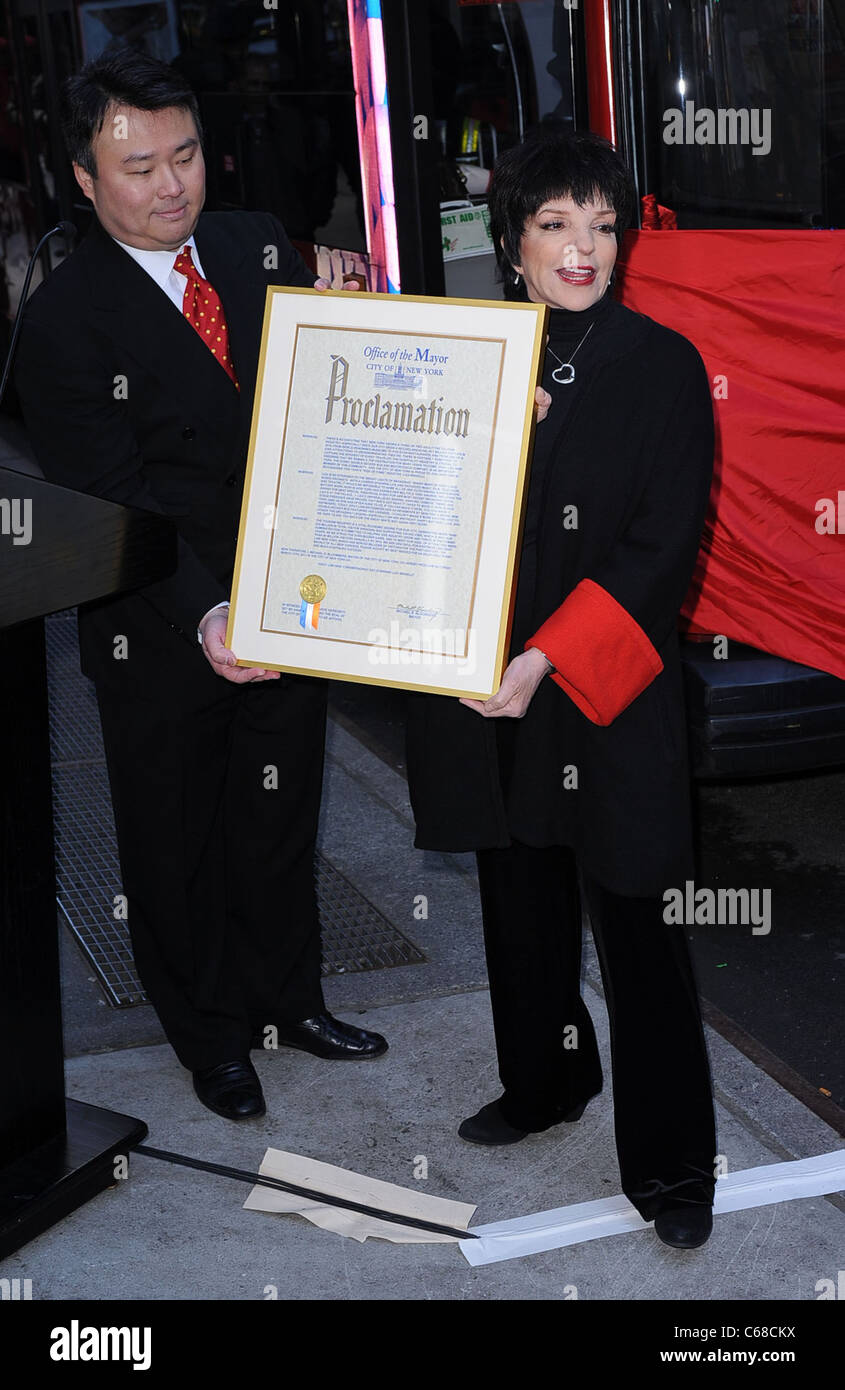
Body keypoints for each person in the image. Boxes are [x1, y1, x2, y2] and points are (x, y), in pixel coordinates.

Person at [14, 49, 387, 1122]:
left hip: (293, 588)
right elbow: (113, 497)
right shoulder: (66, 321)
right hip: (162, 618)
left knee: (279, 814)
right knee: (174, 836)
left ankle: (291, 999)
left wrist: (348, 282)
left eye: (183, 154)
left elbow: (326, 358)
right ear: (84, 180)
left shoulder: (250, 240)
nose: (170, 184)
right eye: (137, 166)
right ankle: (211, 1035)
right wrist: (211, 611)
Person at [406, 130, 719, 1249]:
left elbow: (655, 553)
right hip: (486, 678)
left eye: (600, 225)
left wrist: (541, 658)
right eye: (553, 224)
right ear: (512, 239)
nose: (581, 248)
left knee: (637, 919)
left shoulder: (662, 364)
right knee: (518, 897)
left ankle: (677, 1164)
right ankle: (544, 1081)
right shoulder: (471, 355)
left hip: (603, 683)